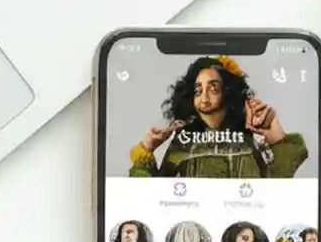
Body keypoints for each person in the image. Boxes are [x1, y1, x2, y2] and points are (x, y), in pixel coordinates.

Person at [130, 55, 308, 178]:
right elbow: (150, 198)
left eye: (213, 88)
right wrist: (146, 149)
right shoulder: (182, 143)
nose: (204, 98)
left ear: (228, 91)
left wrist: (277, 139)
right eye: (198, 90)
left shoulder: (249, 140)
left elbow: (280, 190)